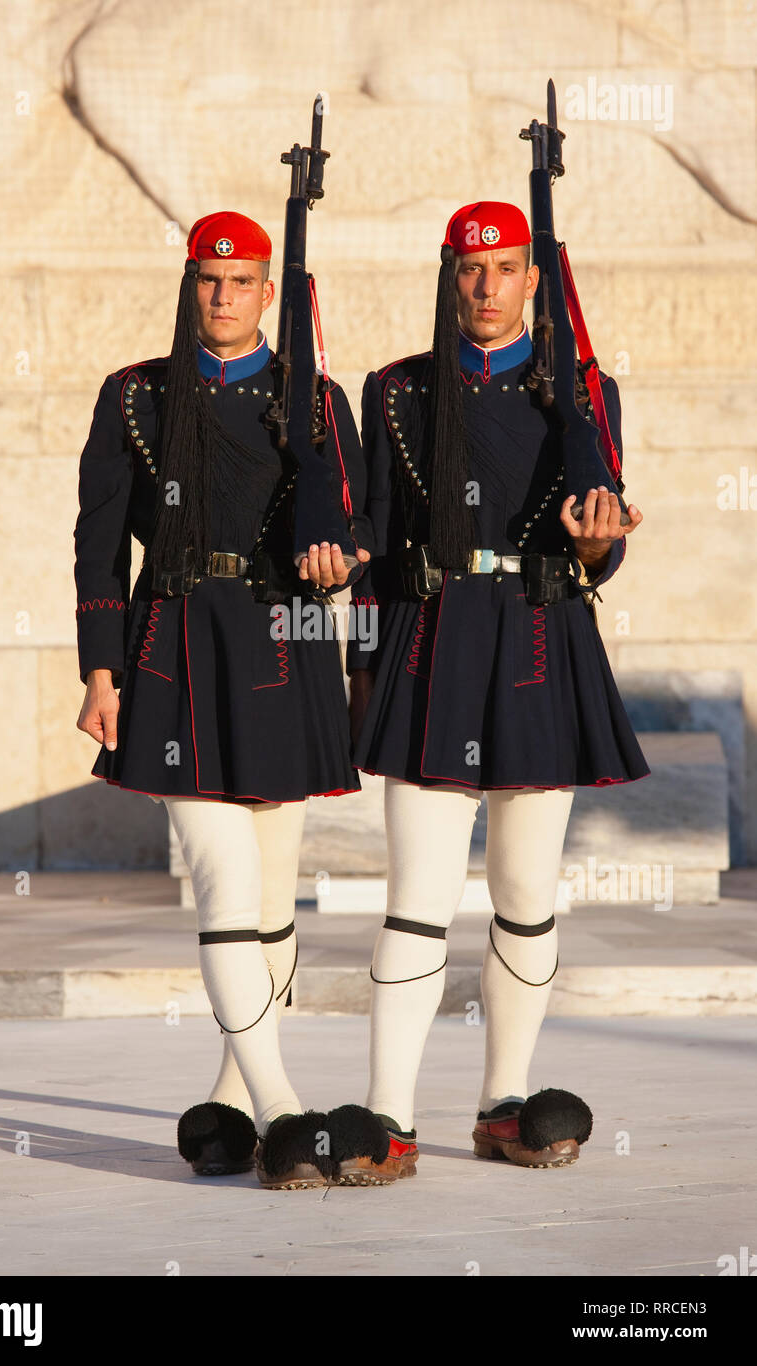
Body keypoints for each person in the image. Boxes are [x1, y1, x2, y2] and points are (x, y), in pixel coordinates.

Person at [74, 210, 395, 1188]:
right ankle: (284, 1111)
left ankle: (226, 1101)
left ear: (268, 291)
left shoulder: (310, 399)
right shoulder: (134, 397)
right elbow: (95, 540)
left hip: (283, 639)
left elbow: (349, 529)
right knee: (221, 883)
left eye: (241, 281)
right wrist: (99, 669)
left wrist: (350, 612)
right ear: (189, 285)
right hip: (171, 639)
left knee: (267, 896)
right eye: (208, 280)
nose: (222, 297)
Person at [347, 200, 648, 1171]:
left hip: (533, 637)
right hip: (432, 640)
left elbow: (591, 554)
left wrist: (596, 543)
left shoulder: (580, 389)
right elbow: (377, 551)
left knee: (524, 892)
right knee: (416, 895)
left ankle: (502, 1102)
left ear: (532, 278)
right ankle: (387, 1115)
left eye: (504, 269)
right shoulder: (395, 391)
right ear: (449, 273)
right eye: (469, 269)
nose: (484, 287)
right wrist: (355, 667)